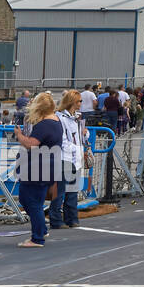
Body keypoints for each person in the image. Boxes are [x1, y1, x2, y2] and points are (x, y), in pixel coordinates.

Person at [14, 92, 61, 247]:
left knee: (29, 200)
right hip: (50, 166)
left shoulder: (43, 125)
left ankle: (37, 237)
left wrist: (19, 135)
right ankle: (41, 229)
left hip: (37, 168)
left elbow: (31, 144)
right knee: (37, 201)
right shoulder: (56, 121)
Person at [49, 90, 88, 230]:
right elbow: (62, 141)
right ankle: (56, 220)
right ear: (72, 102)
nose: (81, 104)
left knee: (72, 191)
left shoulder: (76, 118)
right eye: (79, 101)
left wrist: (85, 133)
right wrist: (77, 149)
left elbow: (79, 137)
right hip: (64, 158)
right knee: (60, 192)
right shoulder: (61, 118)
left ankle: (72, 218)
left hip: (74, 159)